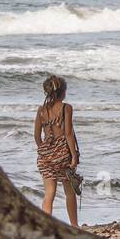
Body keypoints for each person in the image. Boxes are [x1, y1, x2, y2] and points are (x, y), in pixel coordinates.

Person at [34, 74, 80, 226]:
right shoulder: (66, 108)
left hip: (46, 154)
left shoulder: (41, 110)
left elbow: (36, 136)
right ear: (63, 92)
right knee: (69, 192)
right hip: (62, 154)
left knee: (49, 193)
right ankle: (74, 225)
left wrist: (44, 149)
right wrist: (73, 156)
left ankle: (46, 226)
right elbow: (67, 133)